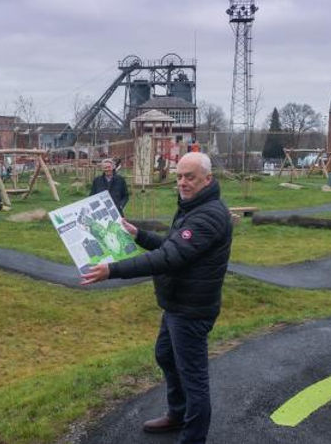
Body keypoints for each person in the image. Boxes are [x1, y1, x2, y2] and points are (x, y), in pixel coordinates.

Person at [81, 152, 232, 444]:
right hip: (177, 303)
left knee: (194, 378)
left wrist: (112, 270)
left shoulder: (209, 215)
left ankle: (192, 438)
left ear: (208, 179)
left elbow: (169, 257)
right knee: (165, 355)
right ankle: (177, 413)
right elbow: (172, 245)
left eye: (190, 177)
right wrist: (138, 234)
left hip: (191, 309)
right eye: (179, 176)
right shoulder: (192, 207)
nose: (183, 183)